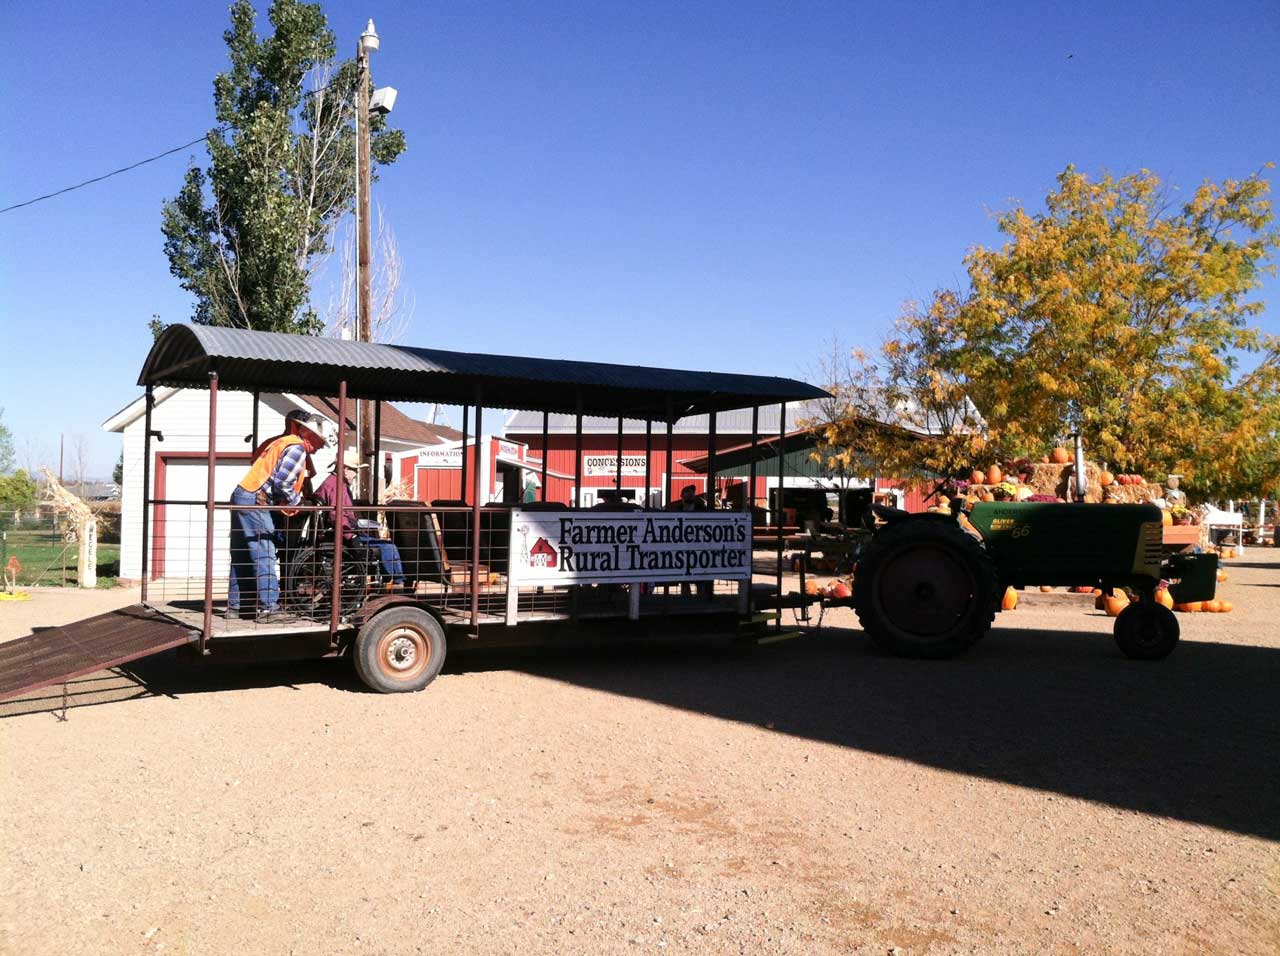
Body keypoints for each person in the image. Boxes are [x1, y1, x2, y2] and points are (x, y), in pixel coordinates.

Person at [227, 411, 328, 621]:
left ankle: (237, 606)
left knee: (243, 553)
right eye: (321, 441)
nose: (320, 447)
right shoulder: (297, 448)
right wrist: (296, 503)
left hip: (243, 494)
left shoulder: (281, 442)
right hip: (256, 500)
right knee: (265, 551)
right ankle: (268, 609)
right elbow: (283, 483)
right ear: (309, 433)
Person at [314, 449, 406, 587]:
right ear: (345, 470)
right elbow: (337, 516)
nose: (355, 475)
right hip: (343, 536)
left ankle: (391, 582)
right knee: (389, 547)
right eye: (355, 471)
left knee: (384, 545)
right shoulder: (337, 487)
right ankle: (397, 584)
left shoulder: (332, 483)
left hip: (338, 533)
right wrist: (352, 537)